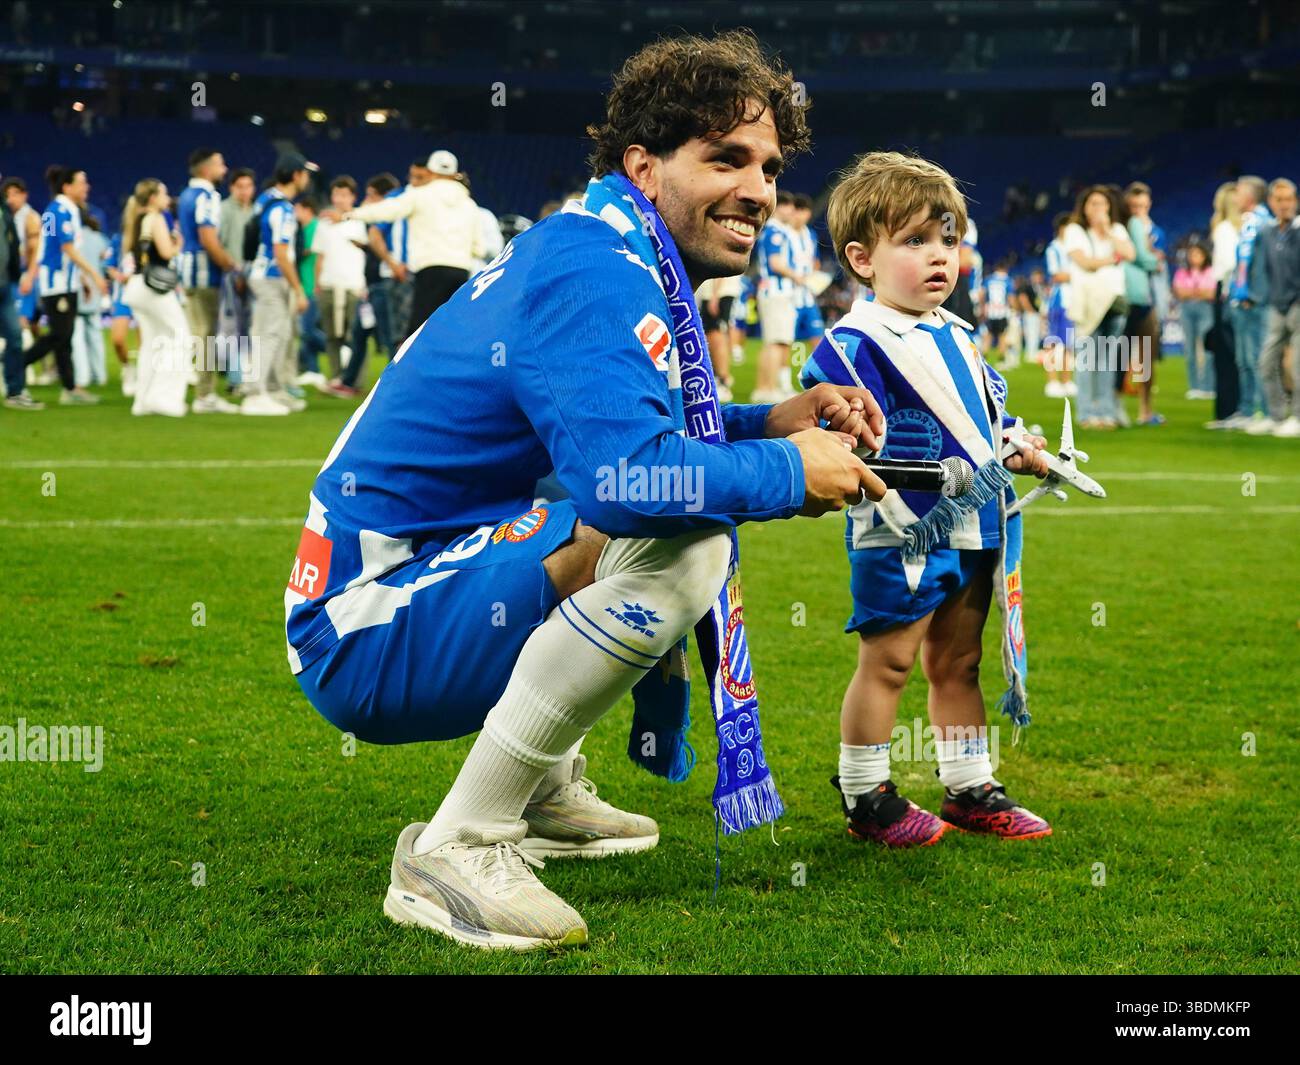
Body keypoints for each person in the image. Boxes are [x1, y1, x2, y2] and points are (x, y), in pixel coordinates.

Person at [287, 29, 887, 950]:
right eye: (726, 158)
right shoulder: (593, 267)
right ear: (644, 165)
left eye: (767, 166)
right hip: (363, 623)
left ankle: (541, 785)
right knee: (683, 541)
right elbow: (627, 478)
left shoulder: (604, 244)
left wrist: (770, 421)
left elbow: (621, 426)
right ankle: (458, 842)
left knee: (644, 526)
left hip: (414, 576)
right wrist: (786, 472)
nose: (759, 190)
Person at [800, 150, 1052, 848]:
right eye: (914, 241)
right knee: (890, 660)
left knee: (959, 659)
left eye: (949, 239)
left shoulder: (961, 335)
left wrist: (1021, 445)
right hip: (899, 527)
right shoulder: (851, 345)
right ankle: (865, 794)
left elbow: (987, 423)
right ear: (862, 258)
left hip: (974, 523)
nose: (939, 256)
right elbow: (844, 425)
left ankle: (970, 784)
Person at [343, 150, 484, 341]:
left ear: (431, 172)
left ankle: (412, 371)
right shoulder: (469, 204)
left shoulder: (421, 195)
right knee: (450, 332)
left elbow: (388, 210)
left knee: (417, 333)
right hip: (461, 270)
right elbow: (479, 247)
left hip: (431, 269)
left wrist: (351, 214)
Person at [20, 165, 106, 405]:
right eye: (82, 182)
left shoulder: (58, 210)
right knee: (60, 335)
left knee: (64, 337)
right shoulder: (60, 212)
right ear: (67, 187)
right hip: (57, 283)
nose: (86, 187)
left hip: (64, 281)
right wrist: (94, 276)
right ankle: (14, 365)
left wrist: (80, 280)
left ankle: (69, 388)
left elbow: (51, 247)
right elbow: (64, 248)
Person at [243, 152, 314, 416]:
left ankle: (272, 390)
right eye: (304, 173)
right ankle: (255, 394)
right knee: (268, 336)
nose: (307, 179)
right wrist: (298, 289)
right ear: (296, 175)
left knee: (278, 334)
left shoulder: (266, 199)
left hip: (263, 274)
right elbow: (282, 254)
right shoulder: (283, 209)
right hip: (272, 277)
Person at [1062, 185, 1135, 430]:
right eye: (1092, 203)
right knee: (1087, 359)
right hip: (1088, 303)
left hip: (1114, 302)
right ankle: (1086, 413)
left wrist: (1107, 232)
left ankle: (1105, 412)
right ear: (1083, 207)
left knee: (1107, 360)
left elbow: (1130, 253)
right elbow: (1084, 262)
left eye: (1102, 204)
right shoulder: (1075, 230)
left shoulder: (1116, 229)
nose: (1098, 209)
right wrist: (1112, 260)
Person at [178, 147, 240, 412]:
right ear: (206, 169)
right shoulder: (207, 196)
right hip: (205, 273)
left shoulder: (185, 195)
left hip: (189, 271)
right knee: (206, 336)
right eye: (219, 164)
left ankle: (201, 390)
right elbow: (207, 237)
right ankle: (205, 395)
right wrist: (228, 263)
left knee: (199, 334)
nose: (224, 170)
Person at [121, 178, 189, 417]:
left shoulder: (135, 219)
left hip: (137, 284)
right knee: (180, 338)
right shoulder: (156, 218)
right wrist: (178, 244)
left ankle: (143, 400)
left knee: (151, 343)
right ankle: (164, 397)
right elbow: (166, 252)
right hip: (154, 288)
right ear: (152, 198)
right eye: (164, 194)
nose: (167, 198)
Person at [338, 172, 401, 397]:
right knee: (360, 333)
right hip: (373, 285)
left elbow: (381, 247)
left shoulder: (388, 218)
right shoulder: (382, 220)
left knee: (390, 337)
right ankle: (349, 382)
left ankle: (399, 385)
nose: (367, 199)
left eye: (371, 195)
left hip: (384, 285)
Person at [1253, 178, 1300, 437]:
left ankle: (1298, 416)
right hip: (1276, 305)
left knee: (1297, 365)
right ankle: (1276, 415)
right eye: (1279, 200)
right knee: (1266, 362)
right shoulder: (1268, 233)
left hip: (1298, 305)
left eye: (1289, 199)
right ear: (1271, 202)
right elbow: (1265, 270)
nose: (1285, 205)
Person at [311, 175, 369, 386]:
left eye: (344, 194)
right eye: (336, 194)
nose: (339, 199)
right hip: (328, 284)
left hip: (354, 286)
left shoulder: (360, 221)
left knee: (356, 336)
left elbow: (366, 253)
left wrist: (364, 285)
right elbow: (319, 256)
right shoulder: (323, 223)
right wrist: (317, 283)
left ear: (353, 197)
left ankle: (356, 380)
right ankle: (337, 377)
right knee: (331, 336)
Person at [1226, 175, 1272, 428]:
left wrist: (1252, 295)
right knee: (1244, 360)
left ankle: (1264, 412)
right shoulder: (1250, 222)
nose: (1235, 196)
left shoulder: (1261, 223)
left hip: (1254, 301)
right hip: (1242, 299)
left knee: (1257, 359)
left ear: (1251, 196)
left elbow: (1261, 265)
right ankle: (1246, 411)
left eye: (1239, 191)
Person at [1119, 182, 1163, 426]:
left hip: (1148, 297)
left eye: (1143, 206)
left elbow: (1157, 261)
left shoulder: (1155, 231)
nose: (1138, 210)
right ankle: (1118, 406)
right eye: (1134, 205)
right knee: (1121, 355)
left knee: (1146, 357)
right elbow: (1150, 260)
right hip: (1130, 296)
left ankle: (1145, 410)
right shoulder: (1125, 227)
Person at [752, 189, 798, 402]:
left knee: (778, 342)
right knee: (774, 342)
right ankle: (765, 389)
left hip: (777, 293)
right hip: (776, 292)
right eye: (787, 206)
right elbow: (776, 263)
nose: (791, 211)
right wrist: (801, 278)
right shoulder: (775, 231)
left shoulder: (775, 231)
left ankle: (769, 387)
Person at [0, 174, 39, 409]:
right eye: (10, 192)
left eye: (18, 193)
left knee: (17, 334)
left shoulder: (34, 216)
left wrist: (30, 274)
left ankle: (15, 391)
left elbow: (38, 245)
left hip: (10, 283)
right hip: (21, 280)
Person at [217, 166, 256, 390]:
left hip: (252, 275)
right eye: (240, 186)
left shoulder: (255, 211)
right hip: (230, 275)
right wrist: (234, 269)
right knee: (231, 329)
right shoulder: (224, 210)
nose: (244, 191)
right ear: (232, 188)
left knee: (250, 330)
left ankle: (246, 377)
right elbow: (219, 243)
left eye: (248, 186)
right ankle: (235, 378)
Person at [1173, 242, 1217, 401]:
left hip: (1205, 309)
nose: (1195, 258)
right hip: (1187, 310)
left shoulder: (1212, 272)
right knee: (1190, 350)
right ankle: (1194, 387)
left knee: (1208, 349)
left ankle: (1208, 386)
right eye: (1192, 255)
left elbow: (1212, 293)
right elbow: (1180, 292)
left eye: (1198, 254)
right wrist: (1198, 292)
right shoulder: (1182, 272)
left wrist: (1192, 292)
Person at [71, 212, 110, 388]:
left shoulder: (73, 238)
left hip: (77, 289)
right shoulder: (99, 238)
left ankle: (82, 376)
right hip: (95, 290)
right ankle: (100, 375)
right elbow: (105, 260)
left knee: (77, 335)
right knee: (95, 335)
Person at [696, 272, 742, 401]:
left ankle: (723, 381)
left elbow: (721, 268)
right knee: (715, 335)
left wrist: (715, 295)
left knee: (717, 335)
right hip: (717, 292)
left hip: (719, 293)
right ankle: (720, 379)